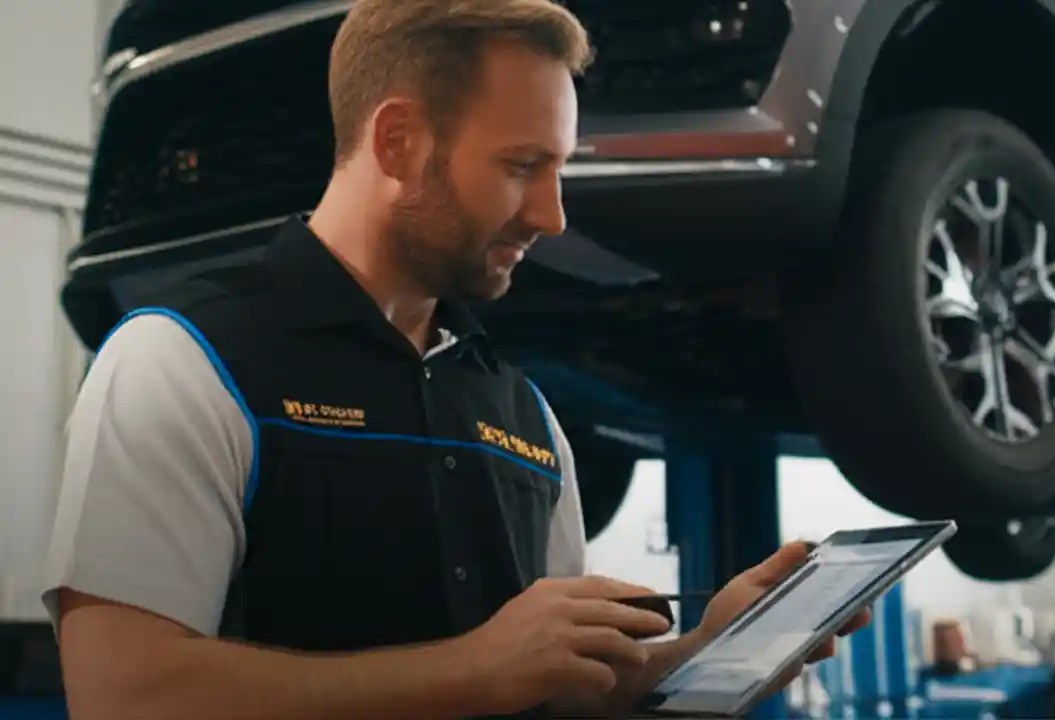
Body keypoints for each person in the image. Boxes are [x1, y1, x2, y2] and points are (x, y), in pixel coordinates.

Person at [43, 1, 869, 718]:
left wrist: (709, 650)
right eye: (522, 167)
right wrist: (477, 670)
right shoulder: (182, 364)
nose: (550, 215)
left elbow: (559, 691)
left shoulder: (526, 418)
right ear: (398, 142)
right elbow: (126, 696)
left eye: (559, 170)